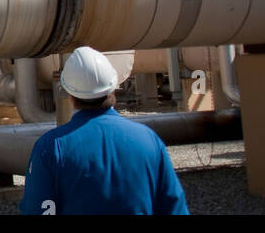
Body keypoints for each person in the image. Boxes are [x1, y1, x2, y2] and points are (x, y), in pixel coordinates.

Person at [19, 46, 189, 216]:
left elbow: (37, 208)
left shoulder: (50, 147)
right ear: (113, 87)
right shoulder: (149, 140)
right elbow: (174, 207)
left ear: (70, 95)